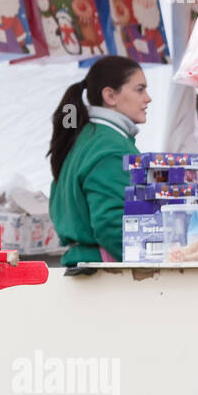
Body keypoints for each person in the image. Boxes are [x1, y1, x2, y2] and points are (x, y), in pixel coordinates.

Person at [47, 56, 150, 265]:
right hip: (104, 276)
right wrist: (154, 265)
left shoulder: (86, 137)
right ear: (110, 95)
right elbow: (112, 225)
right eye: (139, 90)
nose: (148, 98)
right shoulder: (110, 147)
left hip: (86, 268)